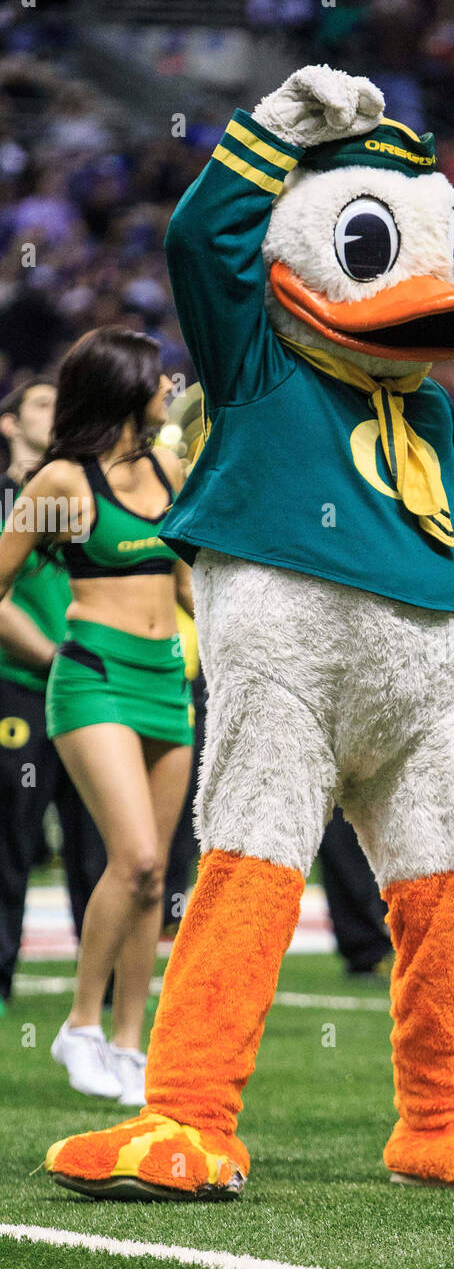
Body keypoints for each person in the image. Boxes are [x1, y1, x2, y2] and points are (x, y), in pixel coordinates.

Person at [0, 327, 193, 1104]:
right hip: (92, 678)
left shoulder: (167, 466)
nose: (169, 385)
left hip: (166, 681)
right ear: (123, 386)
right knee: (137, 858)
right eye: (157, 376)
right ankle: (80, 1023)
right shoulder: (62, 484)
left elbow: (187, 586)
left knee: (155, 882)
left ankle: (126, 1044)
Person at [0, 377, 105, 1015]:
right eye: (40, 403)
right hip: (20, 688)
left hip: (89, 690)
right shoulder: (10, 499)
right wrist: (56, 656)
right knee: (9, 837)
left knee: (99, 845)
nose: (55, 410)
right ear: (9, 424)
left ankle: (105, 997)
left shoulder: (81, 494)